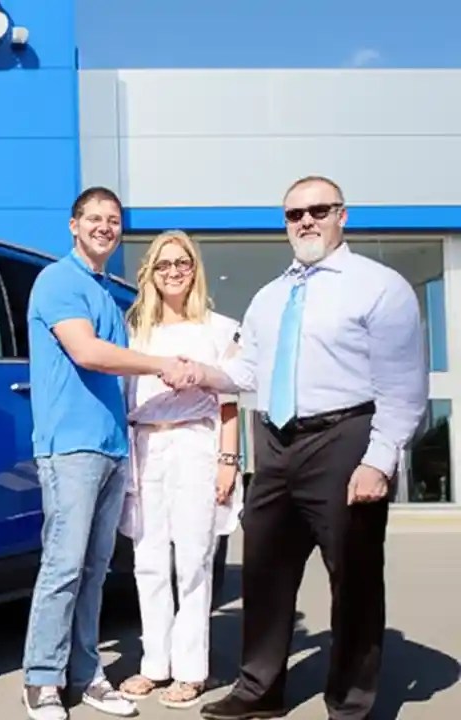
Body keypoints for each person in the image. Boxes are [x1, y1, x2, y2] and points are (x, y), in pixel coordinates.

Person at [177, 176, 429, 720]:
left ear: (342, 215)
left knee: (354, 579)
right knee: (265, 571)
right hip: (276, 442)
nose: (305, 221)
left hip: (345, 440)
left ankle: (350, 703)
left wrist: (378, 460)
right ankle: (258, 690)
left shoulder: (379, 287)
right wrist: (204, 373)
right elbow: (248, 371)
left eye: (318, 210)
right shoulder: (271, 296)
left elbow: (404, 386)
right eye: (294, 214)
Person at [21, 186, 192, 720]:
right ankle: (41, 680)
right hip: (70, 448)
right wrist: (160, 364)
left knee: (94, 569)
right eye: (93, 218)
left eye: (113, 219)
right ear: (74, 225)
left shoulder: (105, 293)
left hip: (112, 448)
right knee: (64, 566)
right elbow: (89, 354)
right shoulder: (58, 282)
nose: (104, 226)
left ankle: (86, 673)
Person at [114, 229, 245, 710]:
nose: (173, 271)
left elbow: (230, 400)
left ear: (195, 269)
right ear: (150, 271)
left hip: (195, 445)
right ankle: (154, 664)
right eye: (164, 264)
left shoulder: (218, 327)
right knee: (148, 562)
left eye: (182, 263)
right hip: (146, 448)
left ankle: (191, 670)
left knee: (192, 561)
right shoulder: (134, 333)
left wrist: (228, 461)